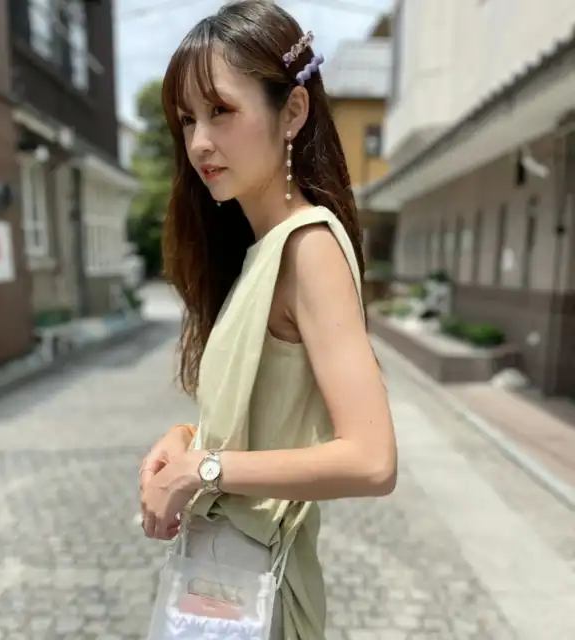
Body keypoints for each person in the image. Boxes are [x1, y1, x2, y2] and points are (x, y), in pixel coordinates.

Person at [139, 1, 397, 638]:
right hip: (224, 584)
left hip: (261, 590)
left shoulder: (308, 248)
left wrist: (204, 469)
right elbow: (263, 415)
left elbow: (372, 460)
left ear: (293, 112)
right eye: (187, 120)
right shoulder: (260, 250)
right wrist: (185, 439)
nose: (199, 142)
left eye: (220, 111)